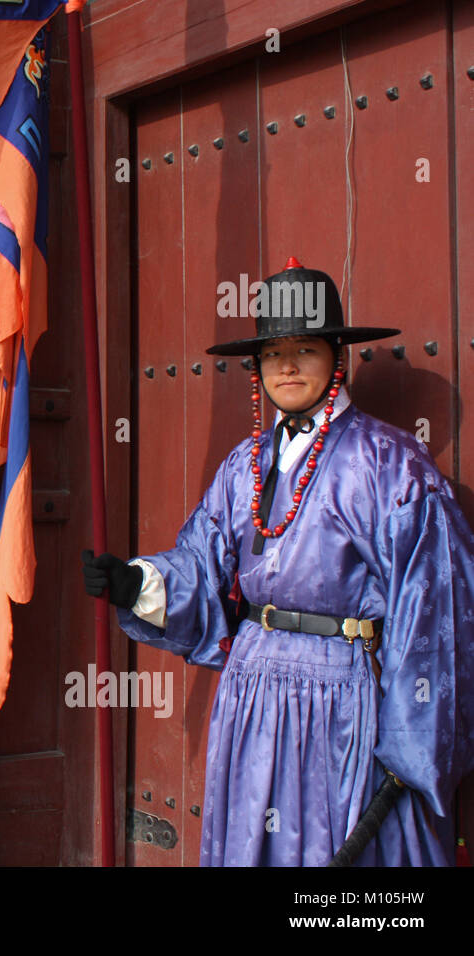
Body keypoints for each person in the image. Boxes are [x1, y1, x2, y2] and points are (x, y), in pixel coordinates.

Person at [82, 258, 474, 866]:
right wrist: (137, 582)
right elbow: (201, 563)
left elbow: (435, 613)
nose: (287, 366)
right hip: (252, 690)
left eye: (305, 349)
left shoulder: (390, 464)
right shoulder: (245, 465)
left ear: (336, 357)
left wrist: (408, 749)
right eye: (272, 353)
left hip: (341, 700)